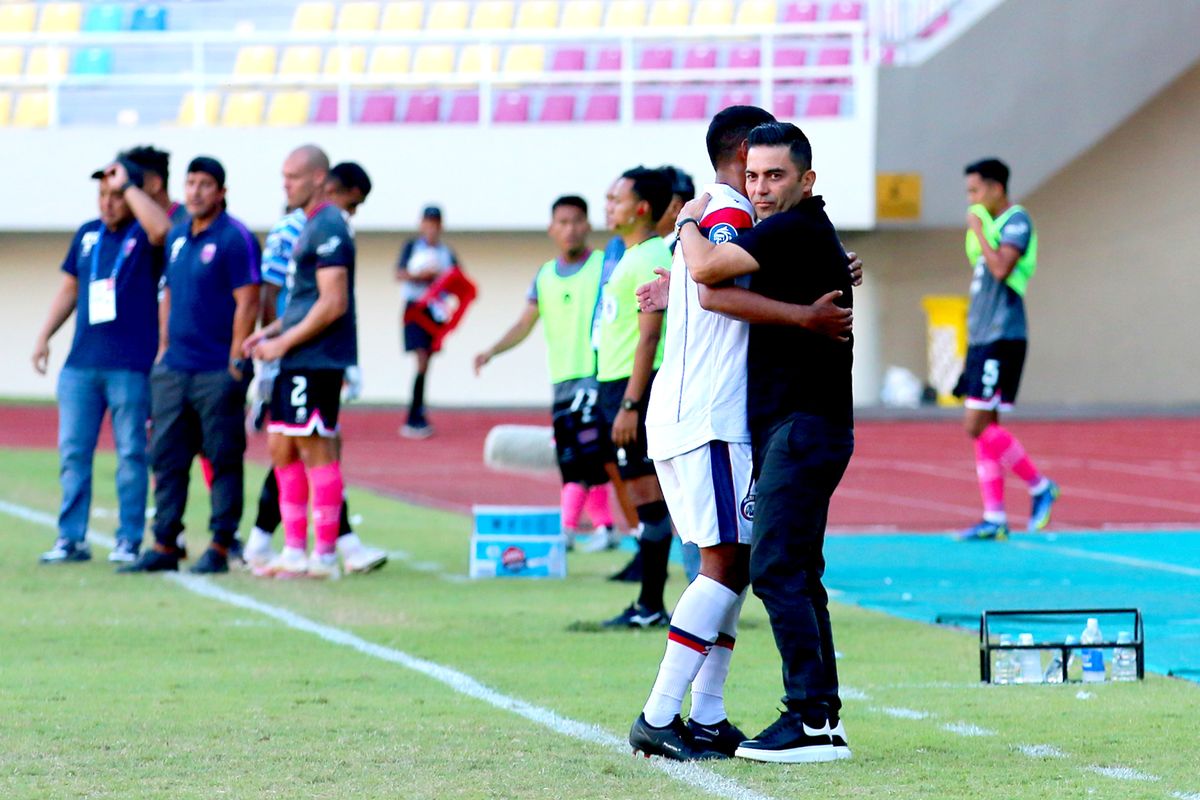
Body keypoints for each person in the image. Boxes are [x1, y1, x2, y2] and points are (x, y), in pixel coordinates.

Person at [629, 107, 860, 761]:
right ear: (741, 161)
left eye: (775, 174)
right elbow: (708, 282)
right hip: (715, 418)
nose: (762, 183)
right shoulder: (726, 214)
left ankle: (707, 716)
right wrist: (685, 227)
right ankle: (662, 713)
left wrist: (835, 264)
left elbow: (713, 277)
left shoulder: (751, 222)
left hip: (700, 417)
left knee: (737, 563)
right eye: (757, 170)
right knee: (736, 566)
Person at [242, 159, 387, 576]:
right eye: (283, 175)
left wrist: (283, 341)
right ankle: (292, 551)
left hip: (317, 359)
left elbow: (332, 301)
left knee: (316, 449)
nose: (284, 184)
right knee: (282, 448)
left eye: (293, 177)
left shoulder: (330, 228)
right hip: (296, 356)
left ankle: (324, 556)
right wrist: (269, 332)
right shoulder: (307, 225)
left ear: (318, 179)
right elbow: (305, 300)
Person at [120, 156, 261, 574]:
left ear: (221, 192)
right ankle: (166, 542)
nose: (195, 191)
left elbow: (248, 299)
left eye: (204, 184)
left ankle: (220, 543)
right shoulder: (178, 236)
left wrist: (237, 359)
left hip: (217, 368)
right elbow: (167, 293)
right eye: (190, 183)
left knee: (222, 457)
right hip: (174, 369)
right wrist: (163, 348)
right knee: (166, 457)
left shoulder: (236, 238)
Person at [32, 156, 171, 564]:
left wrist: (131, 187)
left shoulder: (145, 234)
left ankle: (128, 538)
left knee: (131, 453)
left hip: (129, 364)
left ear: (133, 196)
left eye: (116, 195)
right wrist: (44, 336)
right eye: (102, 195)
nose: (107, 204)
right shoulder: (87, 235)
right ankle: (70, 538)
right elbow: (69, 291)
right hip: (81, 364)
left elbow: (162, 228)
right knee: (73, 452)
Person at [474, 195, 617, 552]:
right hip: (562, 380)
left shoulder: (604, 266)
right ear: (552, 229)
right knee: (584, 456)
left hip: (596, 376)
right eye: (563, 223)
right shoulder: (544, 276)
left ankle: (567, 528)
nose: (570, 229)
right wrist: (492, 350)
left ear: (587, 225)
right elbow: (525, 322)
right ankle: (604, 526)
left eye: (576, 221)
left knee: (581, 456)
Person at [956, 158, 1058, 541]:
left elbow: (1001, 268)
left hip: (1003, 334)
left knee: (975, 423)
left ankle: (1039, 485)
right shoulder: (987, 224)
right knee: (987, 426)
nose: (971, 200)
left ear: (997, 188)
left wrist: (981, 231)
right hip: (983, 334)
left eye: (976, 191)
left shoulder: (1016, 220)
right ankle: (995, 516)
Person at [594, 167, 675, 629]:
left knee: (649, 501)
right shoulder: (629, 256)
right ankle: (649, 604)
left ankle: (650, 605)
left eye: (616, 198)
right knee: (645, 500)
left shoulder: (648, 258)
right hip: (617, 387)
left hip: (633, 390)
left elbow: (649, 338)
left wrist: (629, 404)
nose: (608, 205)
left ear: (641, 208)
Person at [396, 205, 459, 438]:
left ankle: (418, 410)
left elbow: (457, 278)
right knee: (421, 357)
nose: (431, 228)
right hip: (416, 308)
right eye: (427, 223)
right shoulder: (411, 247)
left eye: (435, 224)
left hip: (435, 309)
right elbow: (399, 273)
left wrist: (442, 281)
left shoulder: (446, 252)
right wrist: (419, 277)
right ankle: (414, 414)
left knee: (427, 360)